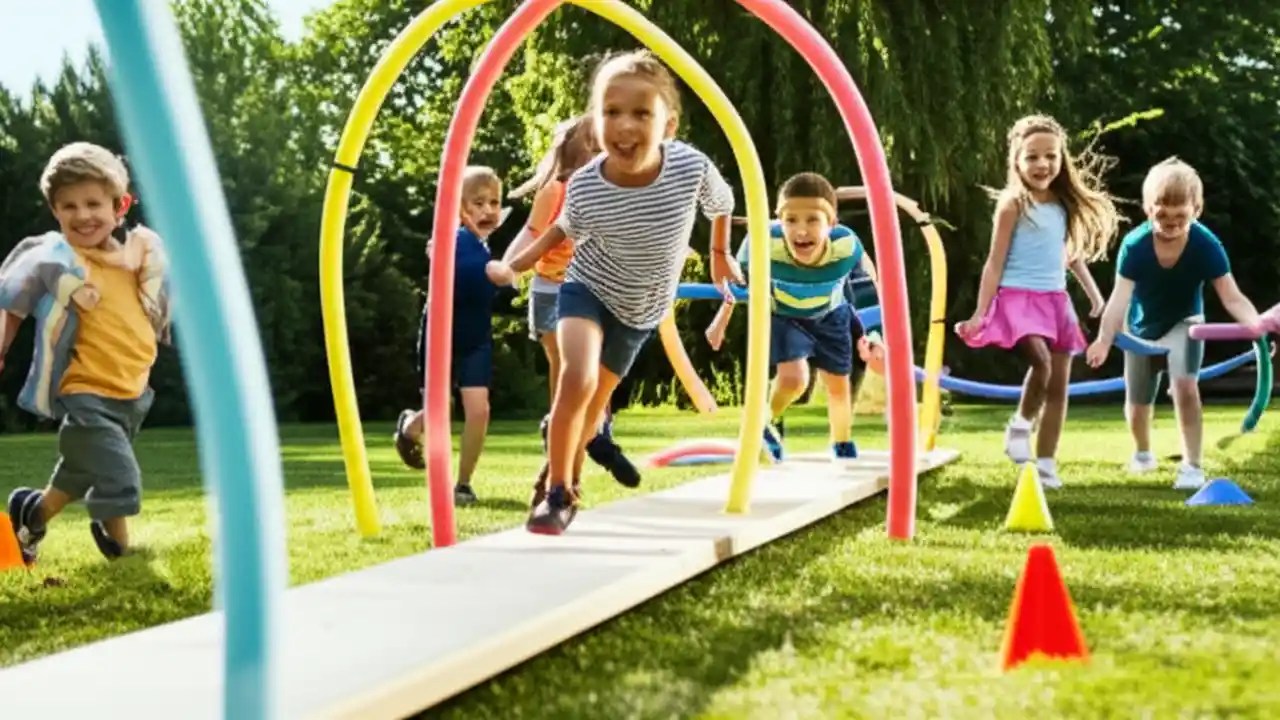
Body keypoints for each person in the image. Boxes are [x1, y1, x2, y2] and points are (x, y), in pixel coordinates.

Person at [488, 49, 737, 535]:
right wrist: (513, 266)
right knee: (575, 379)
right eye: (611, 111)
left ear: (668, 125)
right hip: (587, 289)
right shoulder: (586, 184)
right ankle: (557, 495)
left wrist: (719, 252)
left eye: (641, 113)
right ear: (595, 123)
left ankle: (563, 474)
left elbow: (721, 203)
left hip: (641, 310)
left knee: (595, 408)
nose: (624, 125)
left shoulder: (690, 166)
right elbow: (559, 232)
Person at [2, 142, 171, 563]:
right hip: (85, 391)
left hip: (131, 393)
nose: (82, 215)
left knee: (79, 473)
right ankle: (123, 553)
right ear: (55, 211)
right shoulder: (59, 261)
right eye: (69, 206)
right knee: (119, 474)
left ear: (120, 206)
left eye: (93, 203)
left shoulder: (136, 260)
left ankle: (30, 516)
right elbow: (11, 301)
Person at [955, 114, 1116, 488]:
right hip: (1018, 298)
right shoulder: (1014, 204)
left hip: (1055, 301)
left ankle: (1046, 465)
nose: (1042, 164)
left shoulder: (1062, 204)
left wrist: (1096, 297)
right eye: (1032, 157)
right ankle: (1020, 425)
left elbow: (1072, 256)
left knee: (1058, 387)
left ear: (1062, 159)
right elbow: (994, 263)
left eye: (1050, 156)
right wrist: (980, 313)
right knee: (1041, 364)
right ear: (1017, 160)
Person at [1086, 158, 1266, 489]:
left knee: (1185, 387)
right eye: (1162, 216)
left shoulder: (1206, 245)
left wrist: (1255, 325)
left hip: (1186, 323)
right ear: (1147, 209)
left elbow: (1232, 297)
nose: (1171, 223)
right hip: (1141, 331)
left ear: (1196, 210)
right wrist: (1104, 340)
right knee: (1138, 402)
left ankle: (1192, 465)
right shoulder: (1135, 246)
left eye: (1180, 217)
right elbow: (1118, 300)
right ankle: (1143, 453)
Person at [503, 114, 639, 491]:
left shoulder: (614, 194)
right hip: (553, 292)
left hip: (593, 294)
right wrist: (508, 267)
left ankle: (575, 457)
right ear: (577, 153)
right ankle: (575, 461)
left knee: (586, 384)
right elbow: (531, 232)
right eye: (597, 148)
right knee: (573, 383)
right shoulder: (556, 191)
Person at [704, 172, 878, 461]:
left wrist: (873, 334)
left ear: (831, 223)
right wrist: (721, 320)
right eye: (791, 220)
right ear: (779, 220)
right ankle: (764, 424)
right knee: (793, 380)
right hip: (785, 314)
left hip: (831, 313)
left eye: (813, 220)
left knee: (838, 385)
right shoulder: (763, 243)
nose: (801, 230)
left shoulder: (846, 246)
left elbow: (872, 287)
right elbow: (739, 285)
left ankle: (842, 443)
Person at [393, 166, 505, 506]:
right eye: (478, 203)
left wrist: (500, 274)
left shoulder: (483, 245)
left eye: (494, 203)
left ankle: (463, 484)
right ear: (460, 208)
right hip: (441, 336)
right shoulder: (454, 239)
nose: (488, 210)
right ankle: (410, 428)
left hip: (476, 339)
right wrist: (491, 272)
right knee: (441, 410)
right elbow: (449, 260)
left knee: (479, 411)